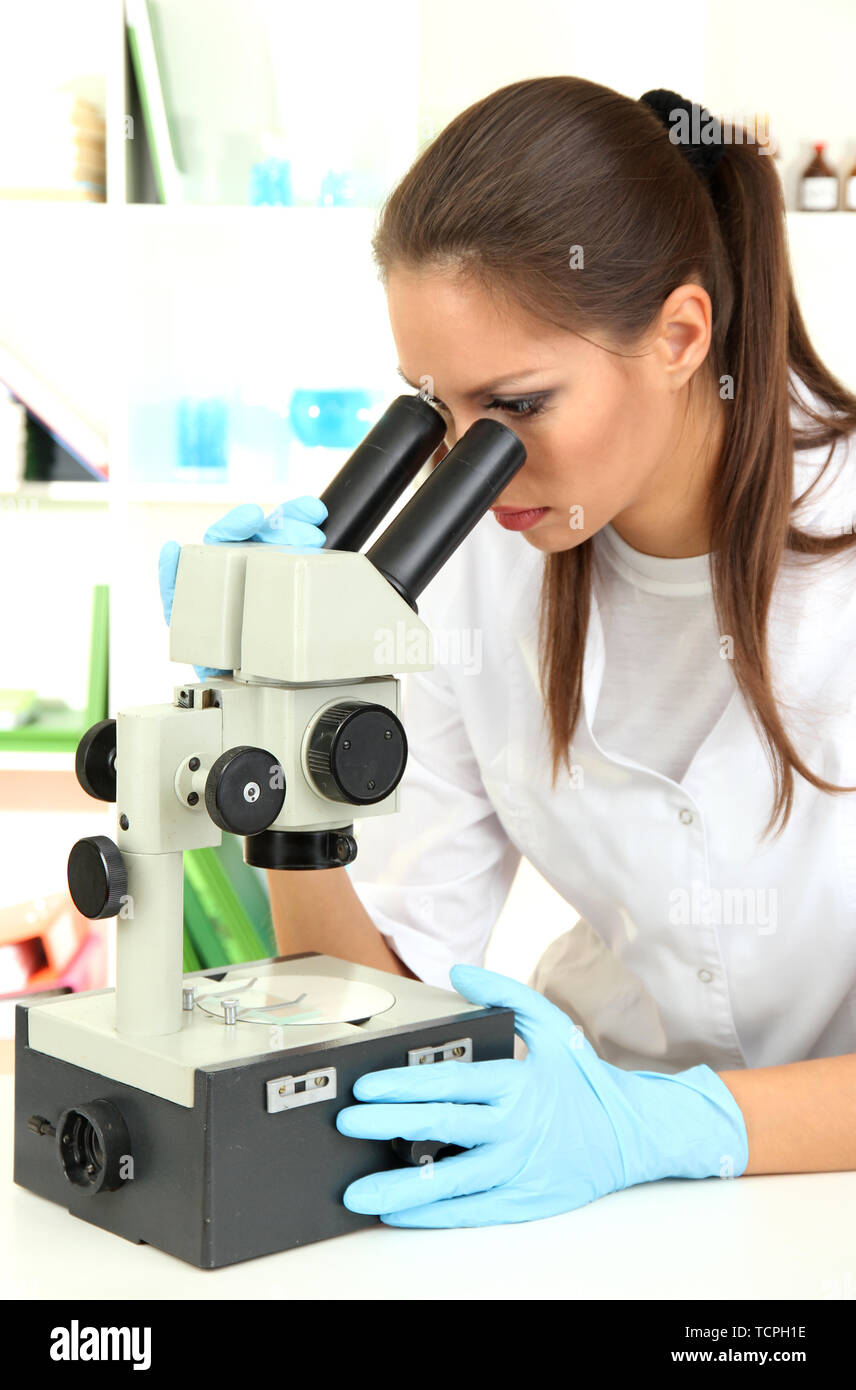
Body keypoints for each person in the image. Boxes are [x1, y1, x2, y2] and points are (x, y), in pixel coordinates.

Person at [159, 79, 856, 1229]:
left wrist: (664, 1123)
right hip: (581, 1181)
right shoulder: (468, 574)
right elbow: (369, 1006)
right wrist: (281, 750)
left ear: (682, 336)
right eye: (433, 409)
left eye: (518, 404)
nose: (473, 472)